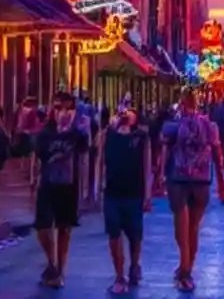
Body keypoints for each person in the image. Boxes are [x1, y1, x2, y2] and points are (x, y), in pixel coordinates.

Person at [162, 88, 224, 293]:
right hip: (201, 179)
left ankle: (185, 268)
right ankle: (187, 267)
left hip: (179, 178)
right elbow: (218, 154)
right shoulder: (209, 125)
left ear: (181, 102)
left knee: (181, 228)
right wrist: (222, 184)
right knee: (193, 228)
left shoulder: (173, 125)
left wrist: (158, 178)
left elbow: (163, 154)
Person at [34, 92, 89, 288]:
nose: (63, 112)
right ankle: (51, 262)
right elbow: (38, 155)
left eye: (67, 108)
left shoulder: (77, 132)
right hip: (48, 183)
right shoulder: (46, 132)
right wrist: (34, 179)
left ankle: (60, 270)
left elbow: (85, 148)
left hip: (68, 184)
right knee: (42, 227)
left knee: (64, 228)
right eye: (58, 108)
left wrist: (77, 126)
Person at [101, 108, 152, 295]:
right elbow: (99, 161)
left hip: (134, 193)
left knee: (134, 235)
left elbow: (147, 166)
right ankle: (119, 275)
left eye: (130, 111)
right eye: (122, 111)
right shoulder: (108, 136)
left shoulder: (141, 138)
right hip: (112, 192)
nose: (125, 114)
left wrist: (147, 194)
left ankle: (134, 265)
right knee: (114, 235)